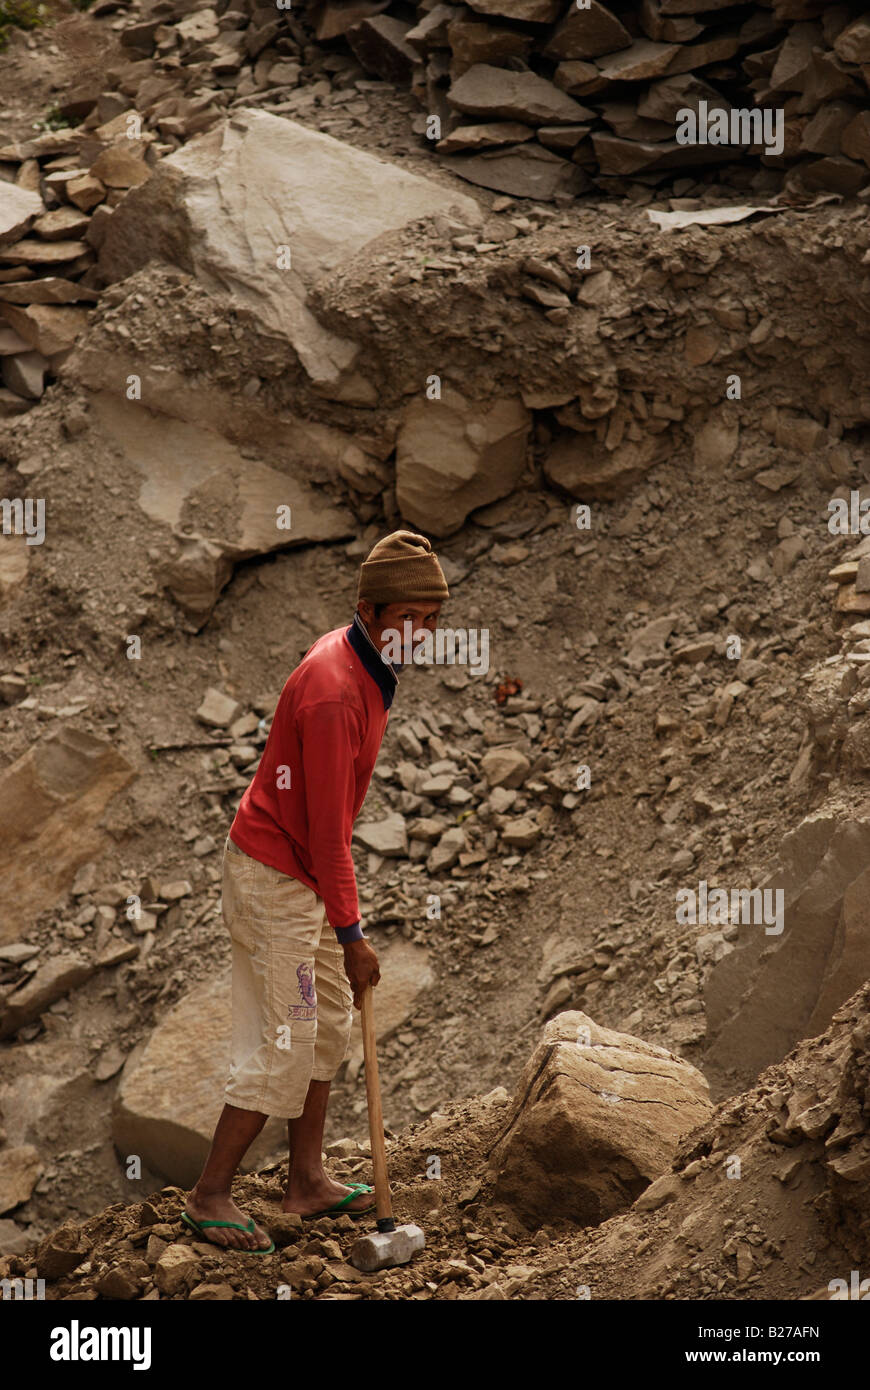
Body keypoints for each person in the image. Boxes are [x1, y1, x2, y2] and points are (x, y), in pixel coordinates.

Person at [182, 530, 449, 1250]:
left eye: (432, 620)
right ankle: (210, 1193)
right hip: (275, 877)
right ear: (369, 610)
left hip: (299, 870)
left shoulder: (366, 663)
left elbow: (327, 831)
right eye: (408, 619)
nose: (421, 635)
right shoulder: (336, 692)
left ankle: (307, 1182)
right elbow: (329, 835)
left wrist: (339, 922)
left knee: (330, 1022)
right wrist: (352, 936)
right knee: (289, 1037)